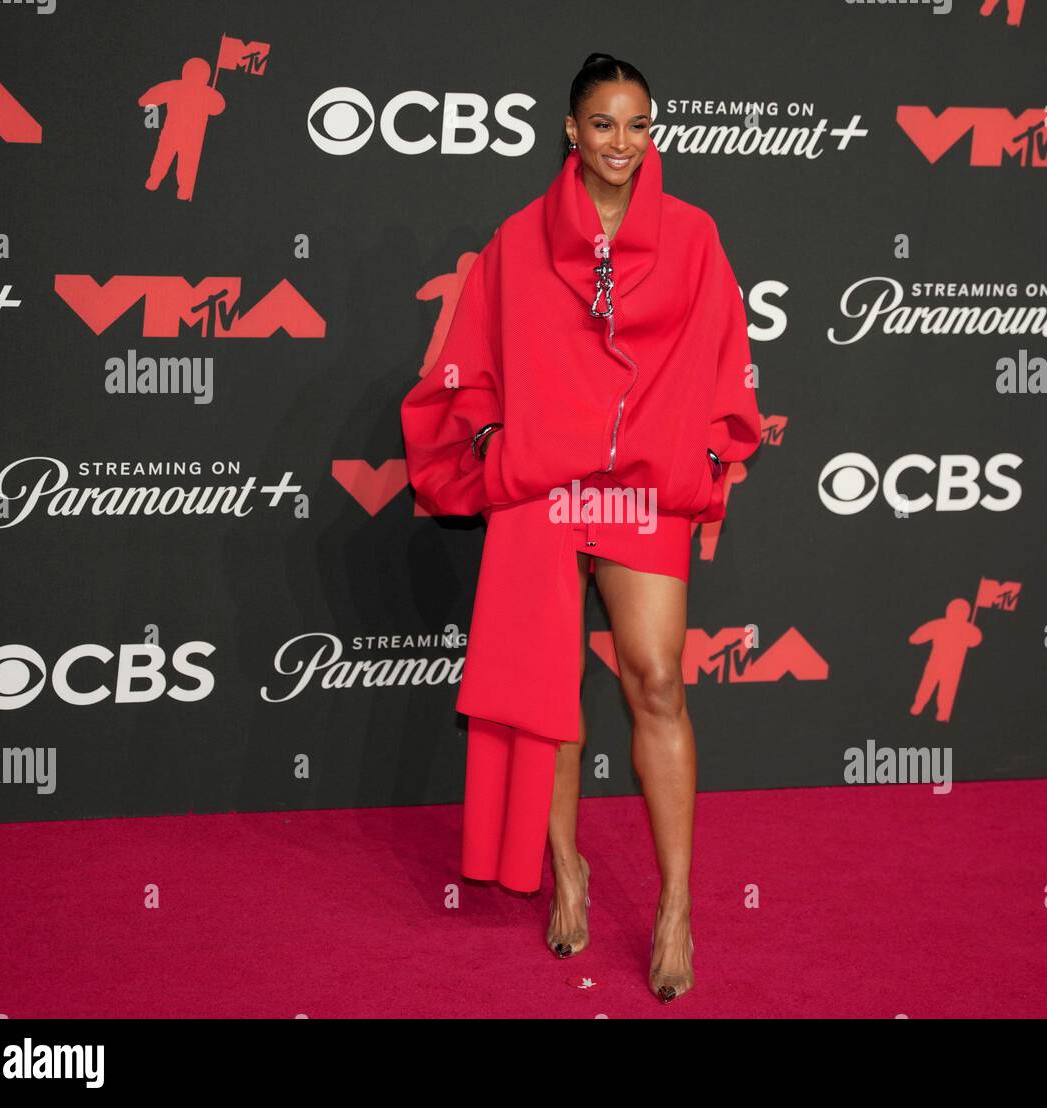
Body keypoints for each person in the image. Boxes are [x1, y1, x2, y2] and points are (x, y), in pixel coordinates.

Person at [400, 52, 762, 1003]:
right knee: (548, 695)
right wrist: (489, 435)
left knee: (655, 678)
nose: (621, 143)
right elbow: (468, 365)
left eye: (636, 125)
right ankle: (568, 874)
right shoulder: (517, 242)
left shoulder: (692, 236)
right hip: (544, 496)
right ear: (571, 130)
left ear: (654, 131)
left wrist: (712, 452)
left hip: (639, 491)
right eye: (602, 124)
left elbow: (729, 353)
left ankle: (677, 903)